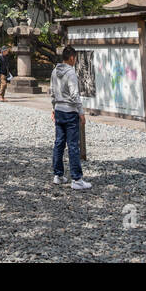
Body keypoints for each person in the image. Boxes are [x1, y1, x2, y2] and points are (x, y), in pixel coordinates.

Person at [50, 45, 91, 190]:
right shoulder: (71, 73)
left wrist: (53, 107)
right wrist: (81, 112)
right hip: (70, 111)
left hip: (59, 109)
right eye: (75, 58)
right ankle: (77, 179)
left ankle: (58, 175)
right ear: (72, 58)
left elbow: (52, 92)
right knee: (73, 145)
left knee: (59, 143)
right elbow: (74, 95)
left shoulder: (55, 71)